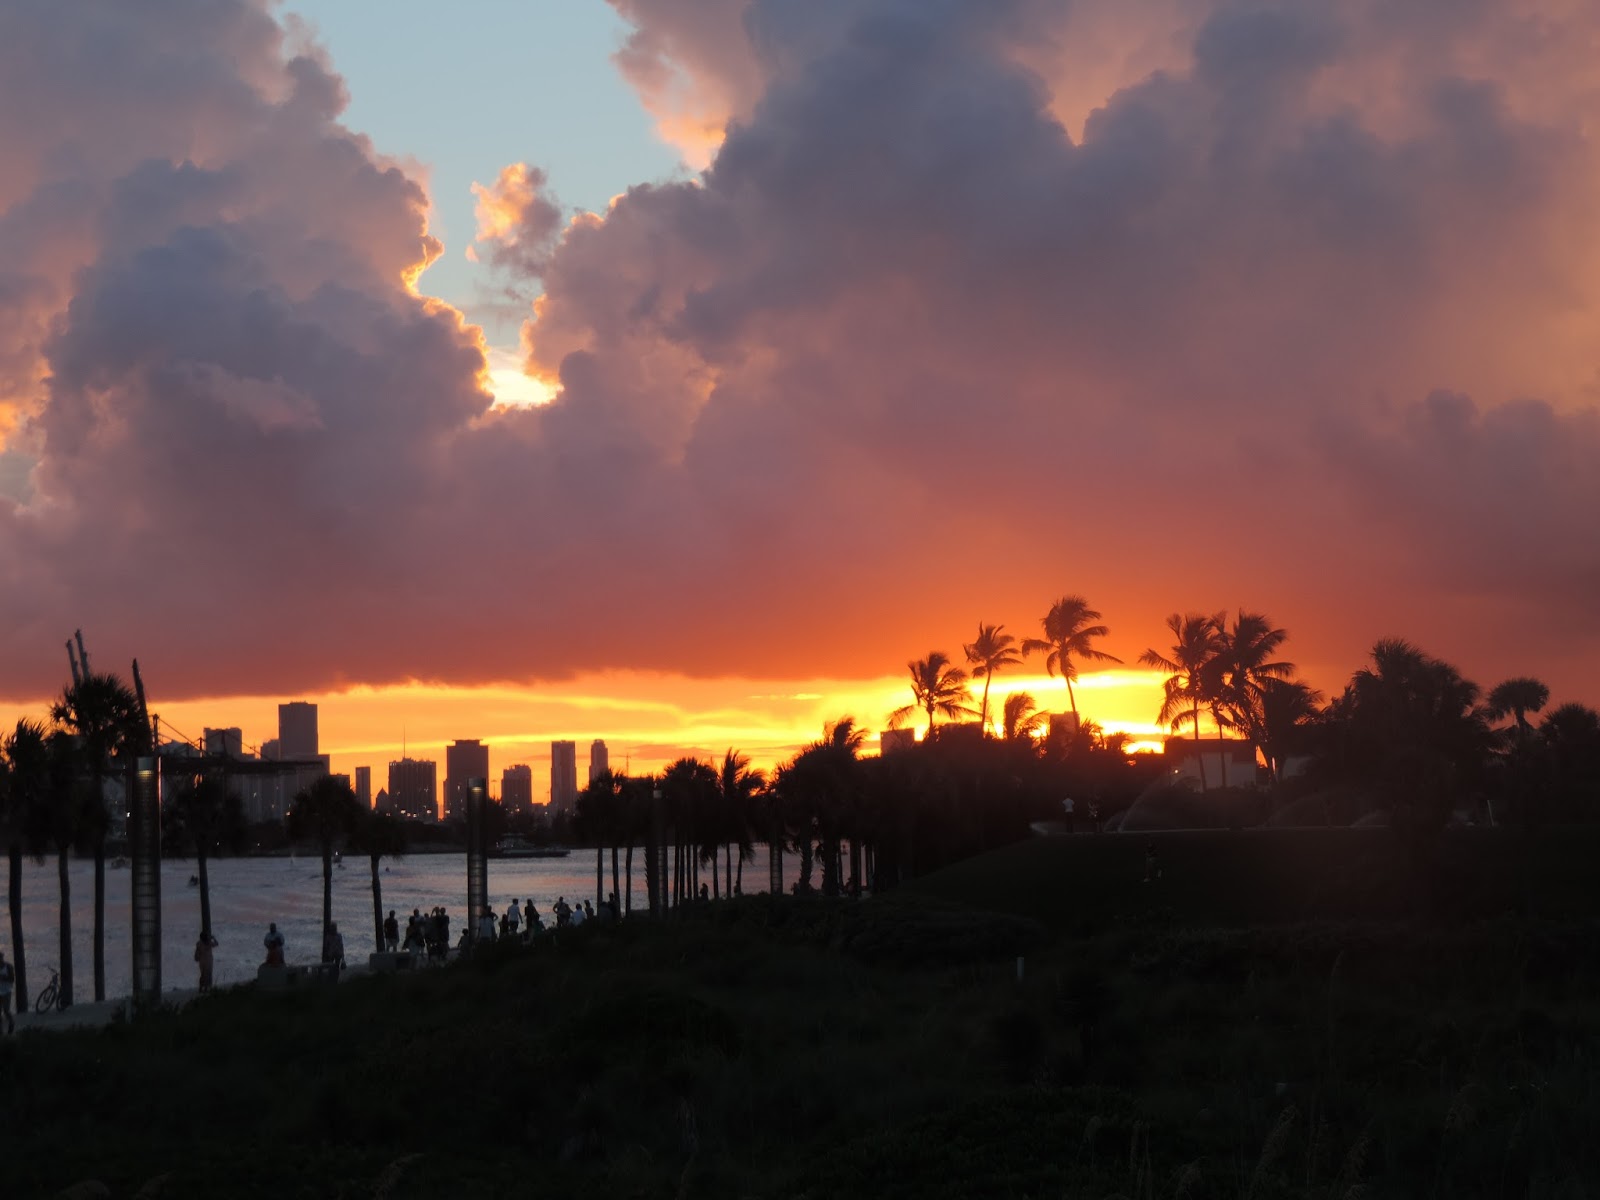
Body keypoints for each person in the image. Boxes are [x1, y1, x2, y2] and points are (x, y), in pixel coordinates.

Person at [0, 949, 14, 1035]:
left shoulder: (8, 966)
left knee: (6, 1010)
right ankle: (1, 1032)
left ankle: (12, 1023)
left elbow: (12, 979)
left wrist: (3, 977)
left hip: (6, 992)